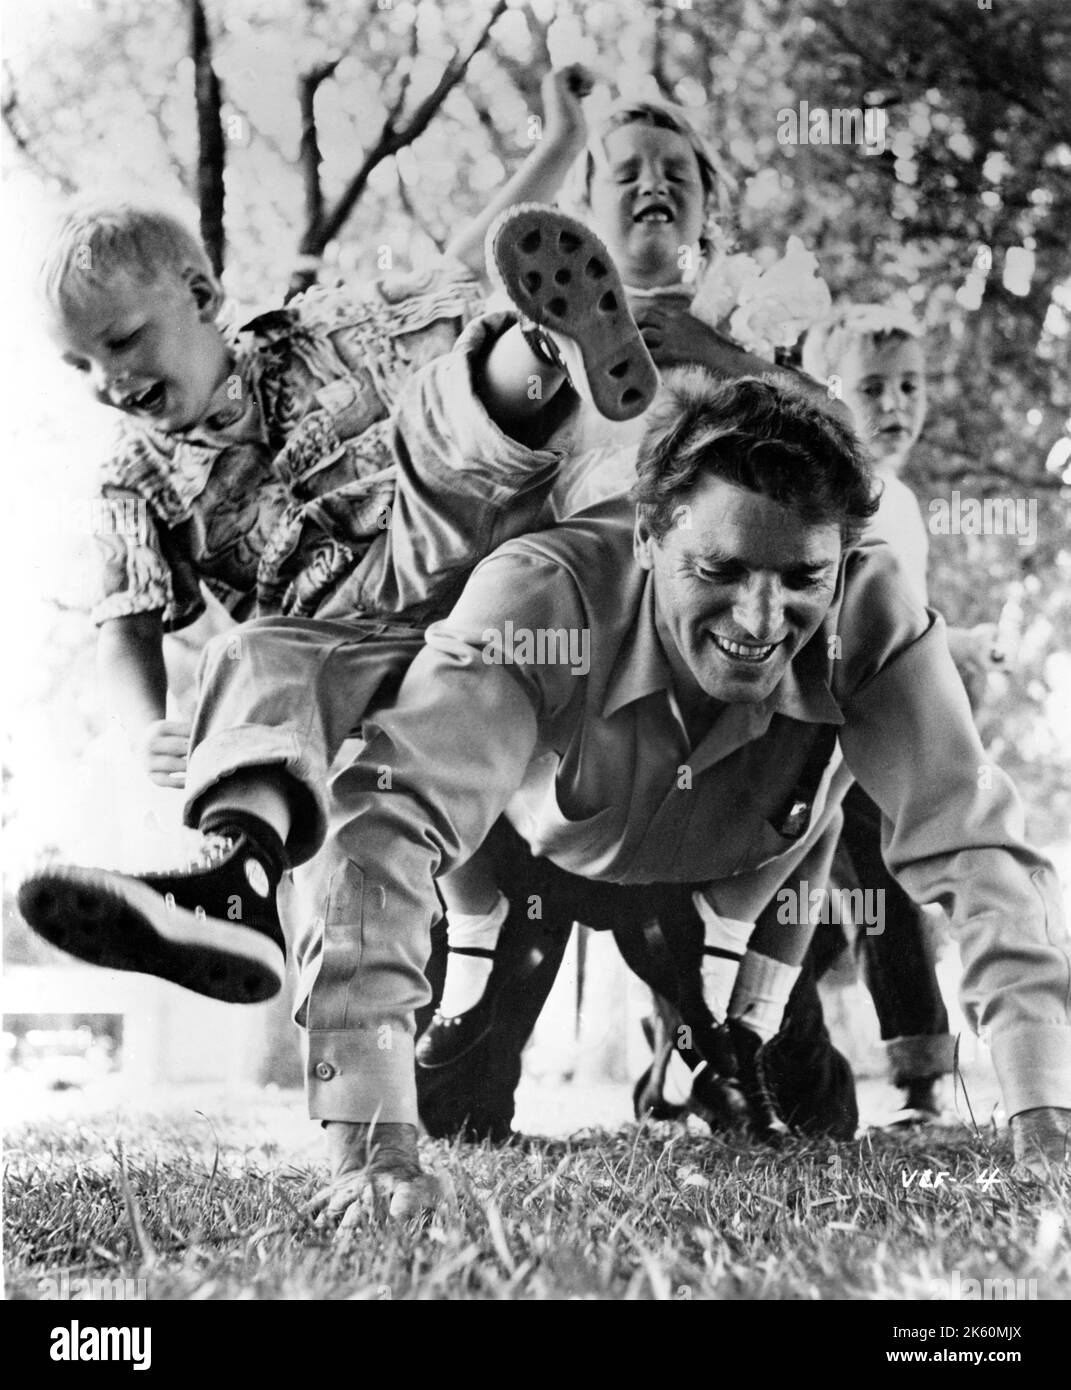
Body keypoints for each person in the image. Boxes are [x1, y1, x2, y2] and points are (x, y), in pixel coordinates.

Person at [26, 363, 1071, 1221]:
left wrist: (1043, 1114)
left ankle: (705, 1045)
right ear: (651, 531)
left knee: (809, 1112)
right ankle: (260, 882)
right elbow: (385, 824)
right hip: (530, 864)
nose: (762, 618)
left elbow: (977, 852)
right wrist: (374, 1144)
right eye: (722, 569)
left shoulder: (872, 608)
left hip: (728, 894)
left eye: (800, 577)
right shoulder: (544, 592)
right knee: (456, 1102)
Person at [24, 66, 616, 1001]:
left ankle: (549, 349)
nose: (108, 380)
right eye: (80, 365)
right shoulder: (132, 480)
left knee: (445, 406)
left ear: (202, 292)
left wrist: (558, 147)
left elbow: (460, 268)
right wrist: (148, 733)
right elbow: (125, 629)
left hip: (442, 542)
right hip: (342, 644)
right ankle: (236, 888)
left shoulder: (321, 330)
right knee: (250, 655)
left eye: (124, 340)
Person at [799, 304, 1010, 1121]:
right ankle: (722, 1050)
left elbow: (898, 623)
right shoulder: (827, 491)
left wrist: (959, 644)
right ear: (827, 394)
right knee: (794, 897)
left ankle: (921, 1076)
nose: (895, 406)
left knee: (881, 890)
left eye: (910, 386)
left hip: (872, 734)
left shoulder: (907, 502)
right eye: (873, 387)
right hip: (809, 723)